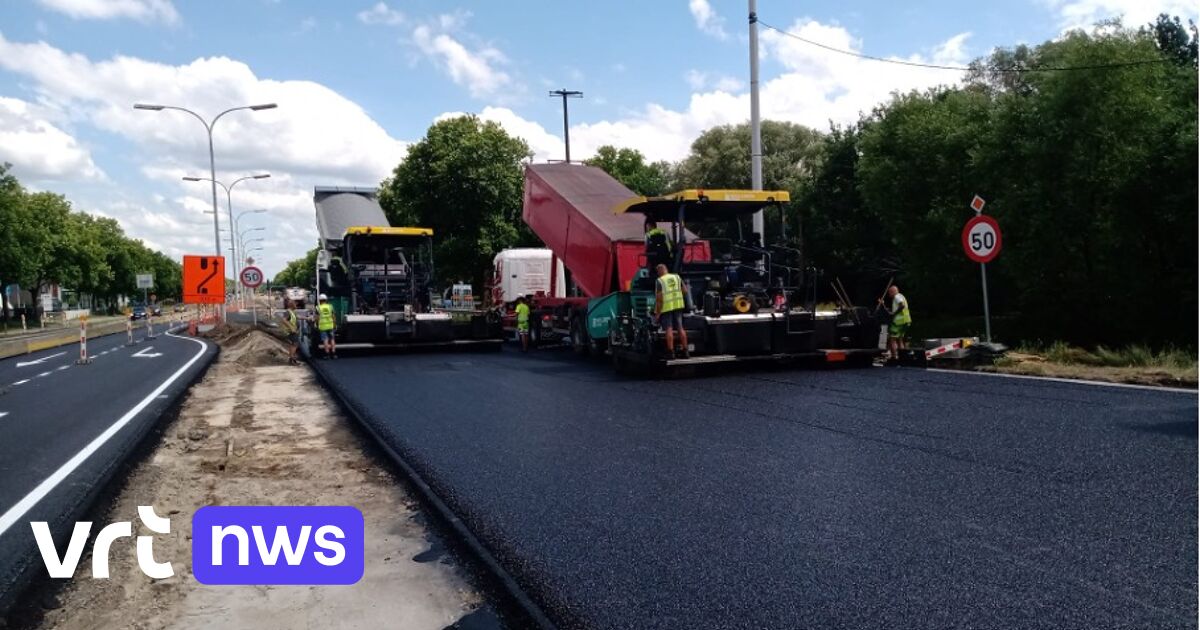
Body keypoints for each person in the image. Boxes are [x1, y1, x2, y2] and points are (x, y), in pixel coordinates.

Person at [654, 263, 690, 359]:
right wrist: (676, 294)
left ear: (660, 271)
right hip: (678, 305)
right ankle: (686, 351)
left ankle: (671, 352)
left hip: (667, 307)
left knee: (668, 329)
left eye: (658, 272)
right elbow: (685, 291)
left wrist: (657, 313)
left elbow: (659, 299)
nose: (658, 274)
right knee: (680, 328)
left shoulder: (660, 281)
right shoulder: (677, 277)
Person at [879, 285, 912, 361]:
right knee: (900, 339)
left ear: (892, 292)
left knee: (892, 339)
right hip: (906, 321)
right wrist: (883, 304)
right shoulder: (901, 296)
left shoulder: (897, 297)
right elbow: (891, 311)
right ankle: (902, 357)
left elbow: (902, 306)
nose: (889, 294)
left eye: (889, 293)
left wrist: (894, 314)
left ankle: (894, 358)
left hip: (898, 322)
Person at [316, 293, 337, 359]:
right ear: (326, 300)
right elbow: (333, 316)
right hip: (330, 325)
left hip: (323, 326)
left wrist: (316, 324)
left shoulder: (318, 307)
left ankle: (327, 354)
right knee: (332, 339)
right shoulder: (330, 306)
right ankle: (333, 354)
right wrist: (334, 324)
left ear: (320, 300)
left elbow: (317, 318)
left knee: (325, 340)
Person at [280, 299, 301, 365]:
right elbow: (283, 320)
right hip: (291, 332)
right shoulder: (288, 312)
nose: (296, 305)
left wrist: (307, 318)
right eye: (295, 304)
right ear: (292, 305)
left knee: (294, 345)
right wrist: (291, 328)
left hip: (293, 331)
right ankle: (292, 359)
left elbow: (297, 317)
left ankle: (292, 359)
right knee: (294, 345)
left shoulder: (292, 312)